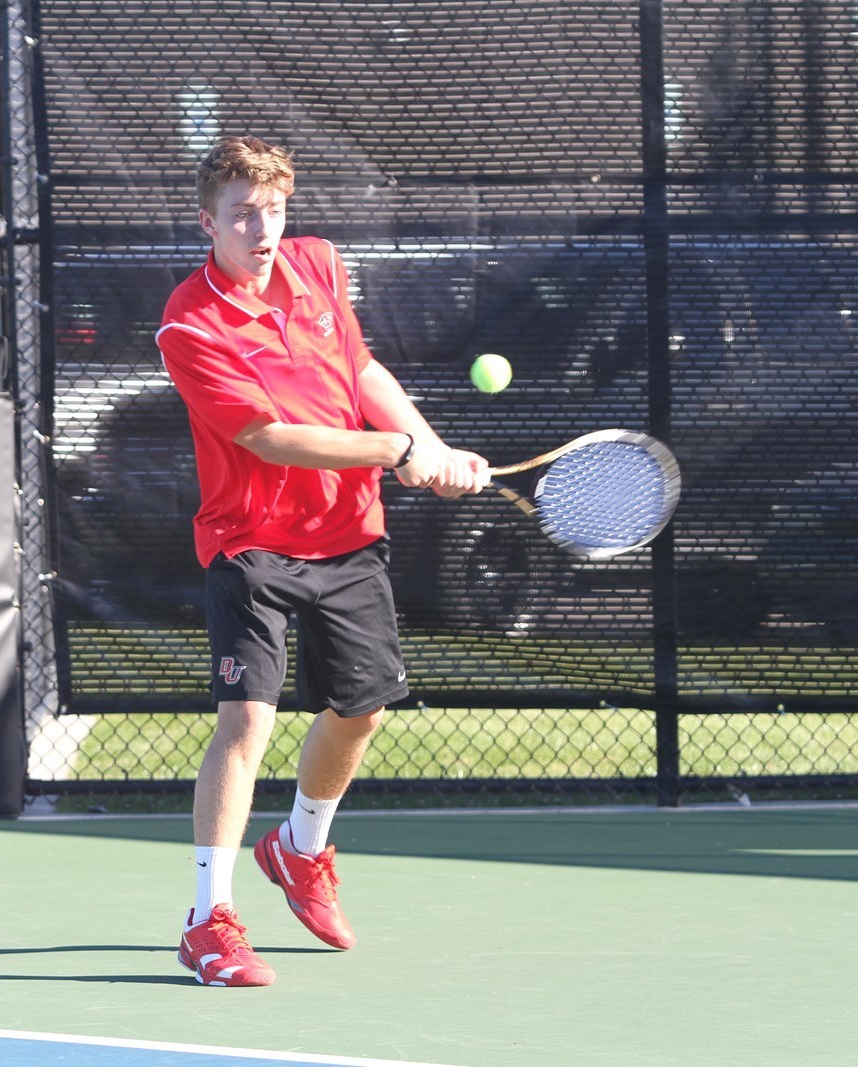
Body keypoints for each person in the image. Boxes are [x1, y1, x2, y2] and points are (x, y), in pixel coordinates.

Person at [155, 135, 491, 987]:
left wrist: (431, 445)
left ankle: (300, 848)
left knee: (361, 710)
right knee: (247, 721)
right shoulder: (189, 325)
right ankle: (207, 920)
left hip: (347, 532)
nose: (262, 229)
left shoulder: (319, 264)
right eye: (242, 215)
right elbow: (269, 437)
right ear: (208, 223)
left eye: (273, 210)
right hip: (251, 542)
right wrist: (393, 450)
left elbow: (361, 368)